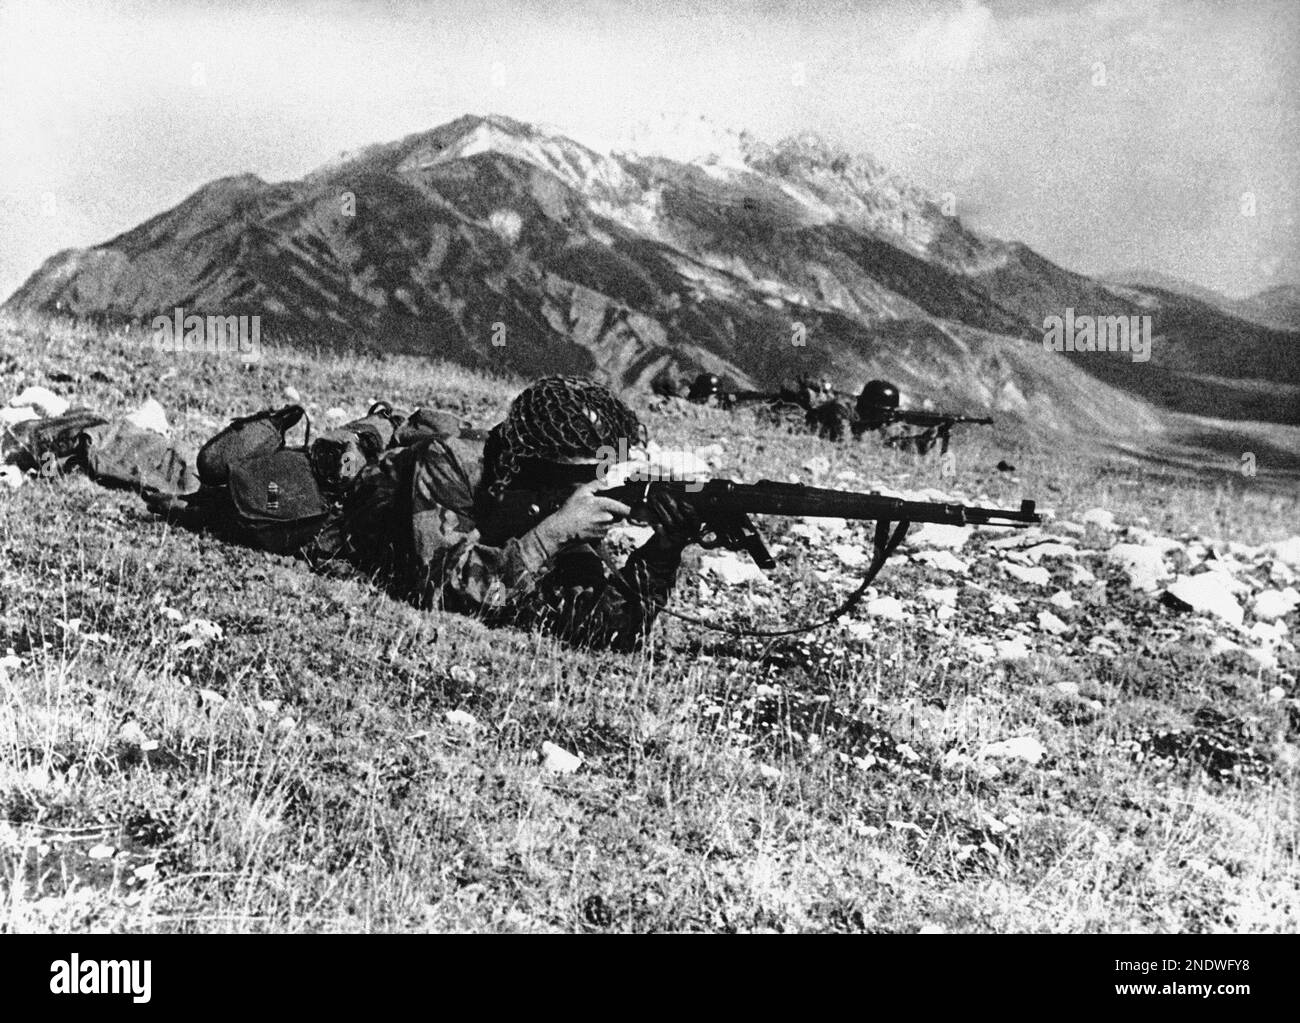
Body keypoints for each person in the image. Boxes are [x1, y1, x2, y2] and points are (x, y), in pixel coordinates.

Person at [365, 376, 701, 653]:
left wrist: (662, 552)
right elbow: (439, 595)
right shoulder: (450, 460)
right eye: (577, 478)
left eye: (602, 472)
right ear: (533, 468)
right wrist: (550, 536)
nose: (593, 487)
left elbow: (603, 633)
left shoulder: (553, 505)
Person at [852, 379, 940, 453]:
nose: (889, 417)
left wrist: (923, 442)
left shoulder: (875, 422)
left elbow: (898, 444)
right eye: (886, 413)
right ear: (871, 409)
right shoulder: (845, 413)